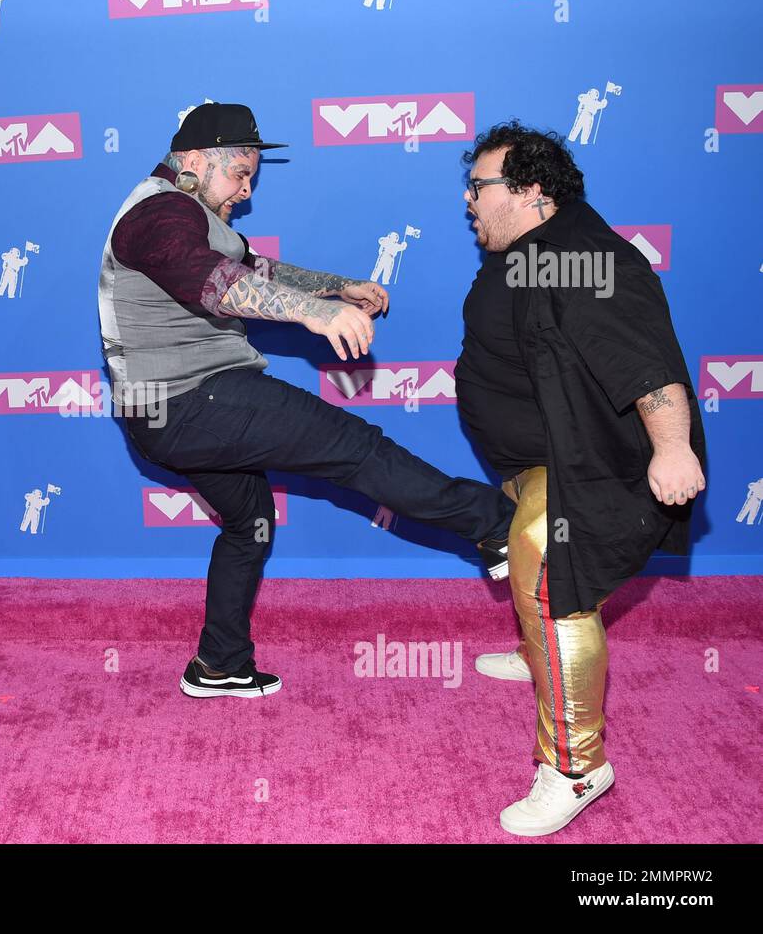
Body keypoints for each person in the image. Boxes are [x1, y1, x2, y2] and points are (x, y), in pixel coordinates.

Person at [98, 102, 516, 699]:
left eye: (250, 179)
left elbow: (256, 266)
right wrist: (317, 313)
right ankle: (498, 527)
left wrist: (336, 285)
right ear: (193, 161)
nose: (244, 191)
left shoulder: (187, 208)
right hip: (193, 398)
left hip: (167, 410)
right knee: (356, 449)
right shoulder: (158, 215)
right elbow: (214, 283)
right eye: (239, 174)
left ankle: (219, 664)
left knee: (249, 523)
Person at [456, 121, 706, 835]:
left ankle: (576, 766)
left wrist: (672, 448)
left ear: (532, 191)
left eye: (480, 187)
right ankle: (544, 652)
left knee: (545, 573)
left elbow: (643, 359)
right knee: (535, 567)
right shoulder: (529, 249)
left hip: (595, 463)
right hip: (541, 456)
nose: (468, 201)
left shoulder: (578, 258)